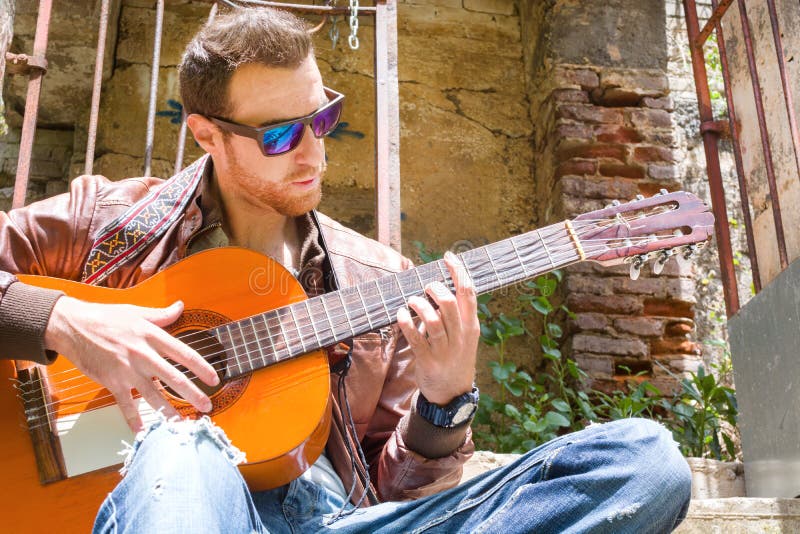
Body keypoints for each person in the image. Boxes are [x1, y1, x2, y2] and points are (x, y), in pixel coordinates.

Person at [0, 6, 691, 533]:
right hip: (171, 501)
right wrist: (65, 320)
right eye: (279, 135)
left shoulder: (371, 278)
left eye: (322, 118)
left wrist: (444, 402)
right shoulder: (107, 221)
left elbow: (396, 494)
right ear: (207, 133)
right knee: (185, 444)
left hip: (336, 519)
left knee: (645, 461)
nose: (312, 153)